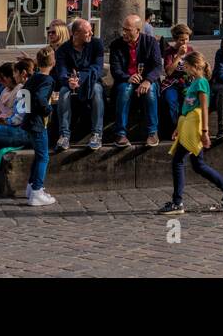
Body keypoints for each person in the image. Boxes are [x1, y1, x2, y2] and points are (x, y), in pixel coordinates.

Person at [158, 50, 223, 216]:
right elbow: (188, 106)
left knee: (178, 161)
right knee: (198, 164)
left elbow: (203, 107)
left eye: (187, 66)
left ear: (195, 67)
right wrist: (178, 127)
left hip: (194, 124)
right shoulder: (195, 82)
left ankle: (177, 202)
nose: (185, 69)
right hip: (188, 123)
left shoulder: (201, 83)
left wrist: (204, 131)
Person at [107, 13, 162, 148]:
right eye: (123, 29)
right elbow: (115, 70)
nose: (124, 33)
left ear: (137, 30)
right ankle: (120, 134)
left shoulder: (150, 42)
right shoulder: (116, 45)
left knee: (150, 91)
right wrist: (128, 77)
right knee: (125, 90)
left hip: (147, 80)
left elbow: (157, 67)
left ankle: (152, 133)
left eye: (128, 30)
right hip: (125, 81)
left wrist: (148, 80)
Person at [54, 18, 106, 150]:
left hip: (92, 81)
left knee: (97, 90)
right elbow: (61, 71)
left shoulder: (96, 44)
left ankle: (96, 134)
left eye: (91, 31)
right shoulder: (62, 50)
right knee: (64, 93)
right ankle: (64, 136)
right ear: (76, 34)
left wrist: (80, 77)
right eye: (87, 32)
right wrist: (68, 80)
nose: (91, 34)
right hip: (72, 83)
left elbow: (97, 68)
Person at [24, 46, 57, 206]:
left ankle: (31, 187)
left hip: (28, 120)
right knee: (44, 156)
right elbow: (40, 97)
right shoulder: (48, 80)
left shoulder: (33, 78)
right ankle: (37, 190)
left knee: (38, 155)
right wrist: (49, 109)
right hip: (38, 123)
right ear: (53, 62)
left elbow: (24, 94)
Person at [159, 23, 192, 138]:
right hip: (171, 83)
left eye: (186, 39)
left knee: (189, 101)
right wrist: (178, 56)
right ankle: (174, 129)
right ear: (175, 39)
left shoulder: (190, 50)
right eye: (182, 40)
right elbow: (168, 72)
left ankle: (186, 129)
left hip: (186, 82)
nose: (184, 43)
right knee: (171, 101)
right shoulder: (169, 51)